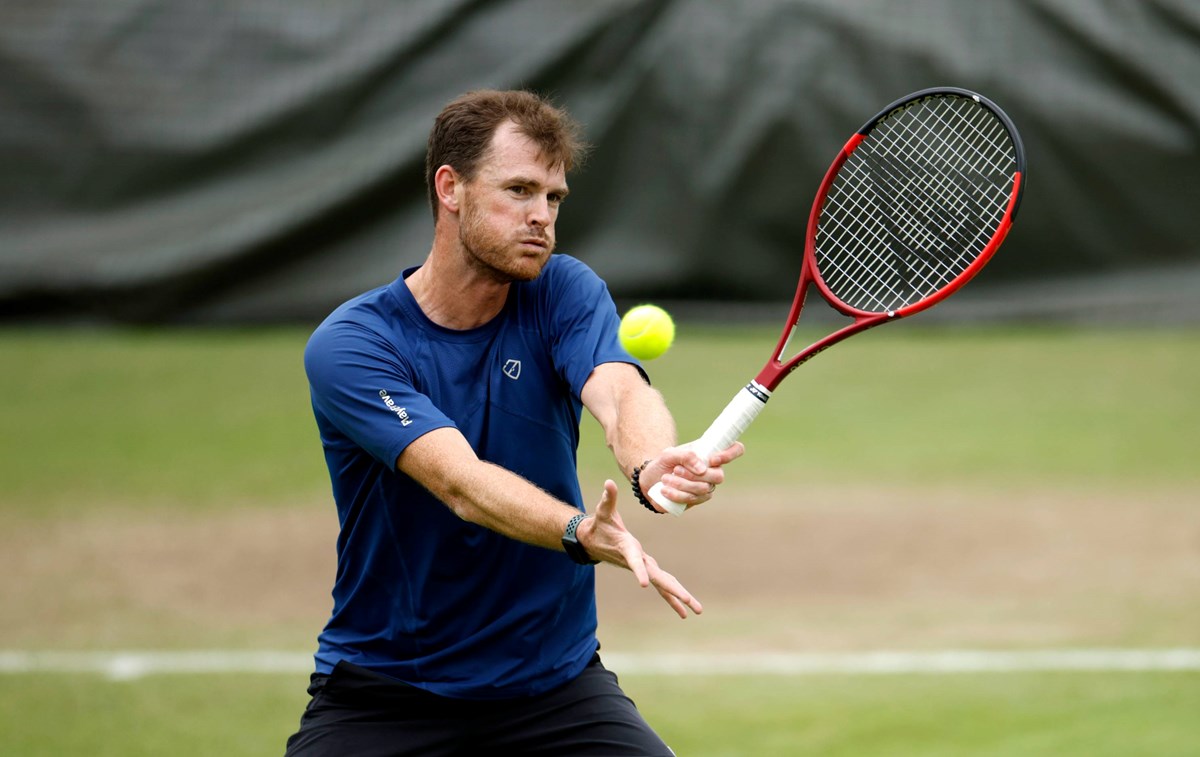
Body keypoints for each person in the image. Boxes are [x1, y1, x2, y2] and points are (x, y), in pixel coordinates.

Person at [284, 89, 743, 756]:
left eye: (553, 197)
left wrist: (649, 465)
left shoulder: (562, 290)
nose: (541, 217)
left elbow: (618, 390)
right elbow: (461, 483)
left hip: (555, 688)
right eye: (520, 190)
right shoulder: (354, 345)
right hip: (388, 692)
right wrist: (579, 531)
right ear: (451, 188)